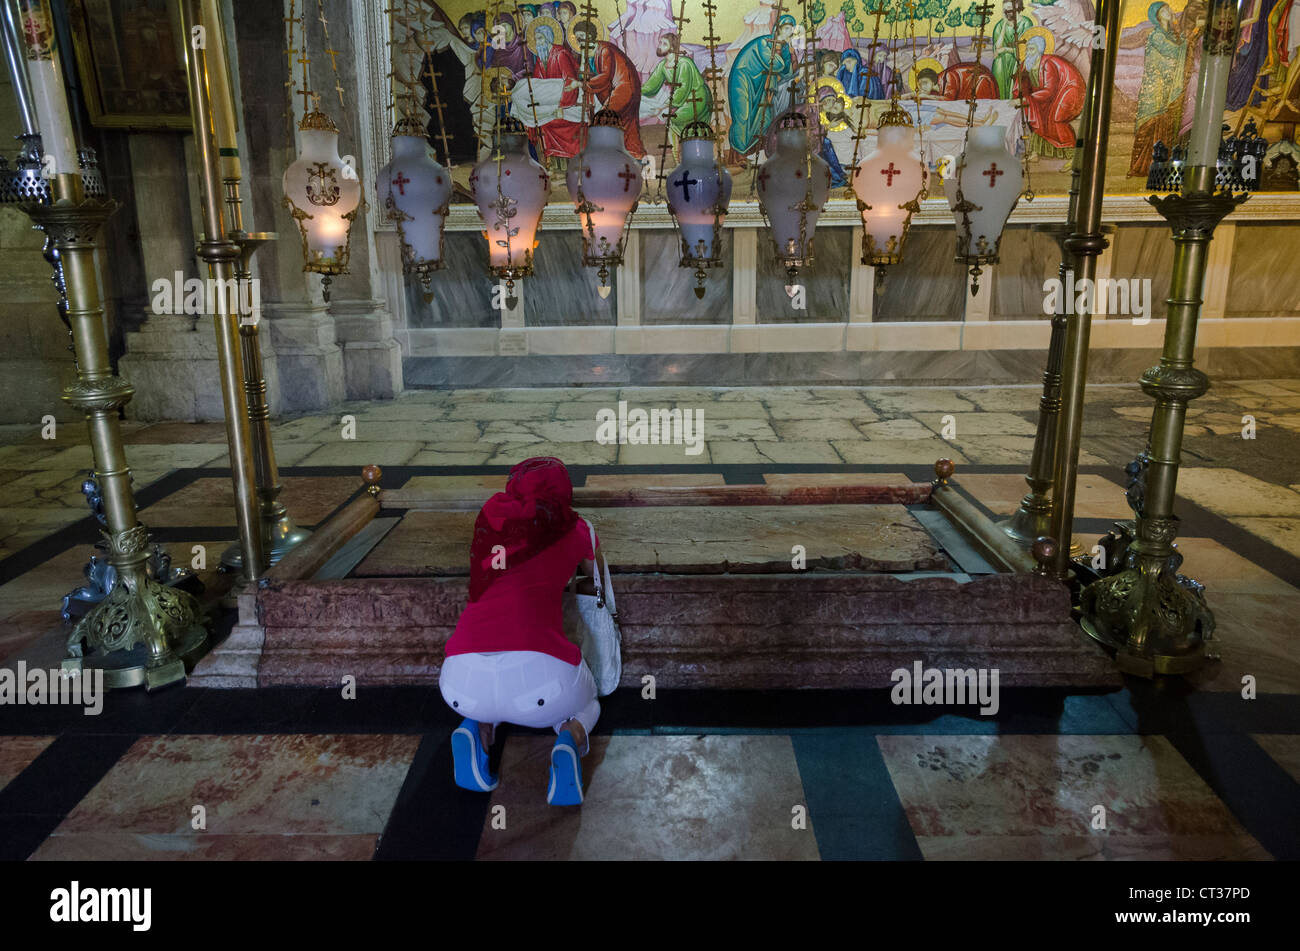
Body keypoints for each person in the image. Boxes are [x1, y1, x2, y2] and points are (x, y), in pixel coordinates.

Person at [440, 457, 604, 806]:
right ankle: (567, 738)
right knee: (589, 703)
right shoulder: (577, 529)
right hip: (541, 681)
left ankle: (474, 726)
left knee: (485, 697)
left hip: (458, 679)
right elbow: (595, 576)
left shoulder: (488, 521)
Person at [570, 18, 647, 156]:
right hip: (615, 90)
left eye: (582, 36)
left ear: (590, 35)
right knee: (626, 124)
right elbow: (583, 75)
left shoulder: (604, 50)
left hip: (625, 88)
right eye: (577, 37)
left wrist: (581, 84)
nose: (579, 40)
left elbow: (605, 77)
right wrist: (583, 57)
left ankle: (609, 155)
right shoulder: (587, 54)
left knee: (605, 120)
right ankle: (634, 154)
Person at [1128, 2, 1188, 177]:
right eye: (1163, 10)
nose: (1168, 12)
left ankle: (1160, 165)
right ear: (1157, 16)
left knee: (1165, 125)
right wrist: (1186, 43)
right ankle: (1141, 166)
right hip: (1155, 92)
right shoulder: (1157, 36)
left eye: (1168, 9)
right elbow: (1172, 53)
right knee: (1150, 125)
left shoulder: (1171, 34)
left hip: (1166, 90)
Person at [727, 13, 799, 156]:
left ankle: (753, 151)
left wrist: (791, 53)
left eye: (791, 30)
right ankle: (737, 154)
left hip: (760, 83)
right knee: (744, 115)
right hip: (743, 77)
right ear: (778, 29)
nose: (789, 33)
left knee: (764, 115)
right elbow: (774, 64)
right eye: (786, 29)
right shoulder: (764, 43)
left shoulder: (783, 47)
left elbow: (787, 72)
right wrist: (780, 49)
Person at [1015, 33, 1085, 160]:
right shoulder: (1027, 64)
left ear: (1040, 50)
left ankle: (1072, 156)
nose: (1028, 52)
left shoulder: (1047, 64)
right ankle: (1035, 153)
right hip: (1046, 97)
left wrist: (1028, 98)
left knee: (1056, 119)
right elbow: (1020, 84)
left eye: (1032, 49)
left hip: (1068, 90)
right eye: (1027, 48)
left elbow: (1049, 90)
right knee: (1038, 118)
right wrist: (1020, 96)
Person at [642, 32, 713, 148]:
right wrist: (635, 91)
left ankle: (682, 152)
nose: (659, 46)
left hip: (697, 98)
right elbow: (651, 85)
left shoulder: (684, 63)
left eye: (664, 44)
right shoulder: (663, 65)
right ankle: (678, 157)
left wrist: (664, 106)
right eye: (660, 42)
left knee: (673, 120)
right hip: (682, 100)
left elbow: (682, 89)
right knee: (669, 118)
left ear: (671, 47)